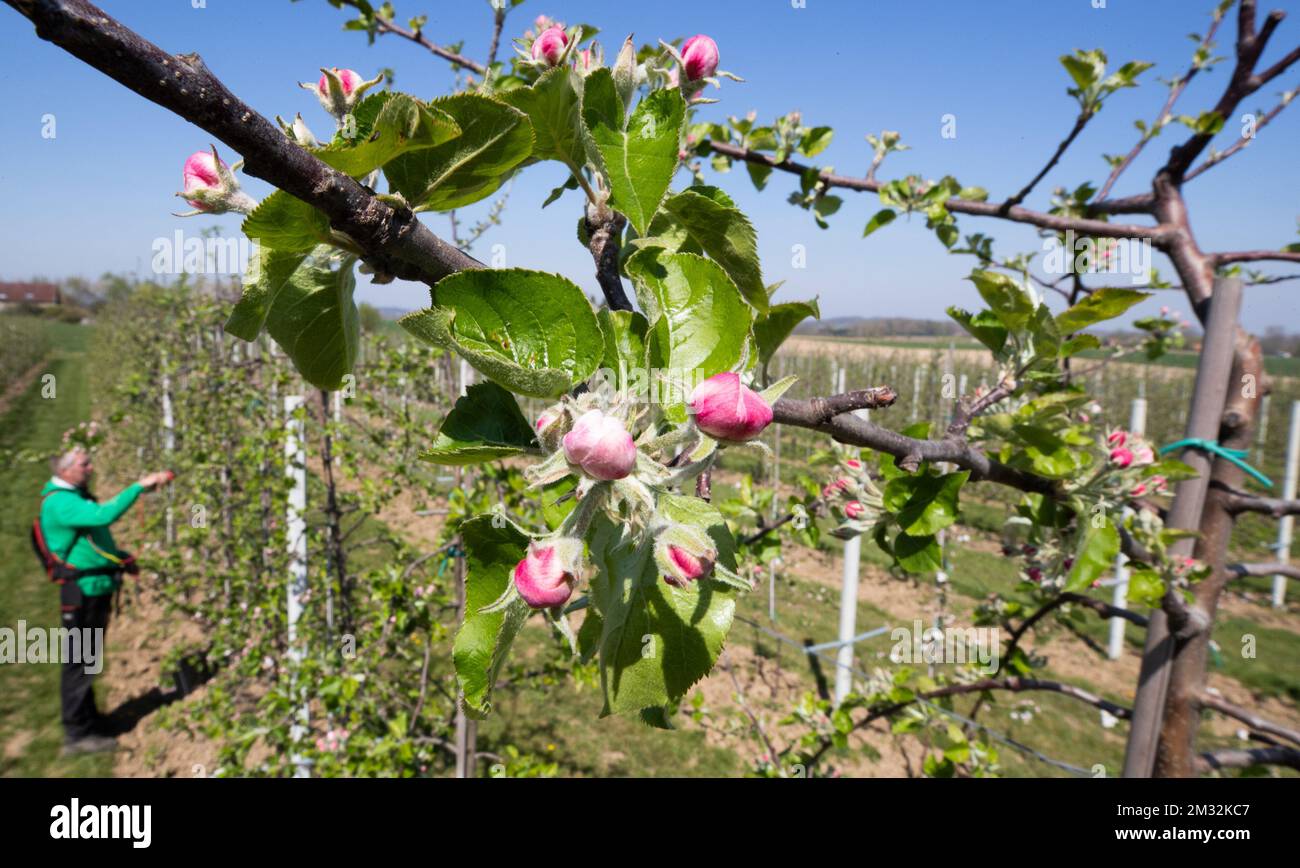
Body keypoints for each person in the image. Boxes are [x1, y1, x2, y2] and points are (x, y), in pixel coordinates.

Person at [39, 446, 173, 755]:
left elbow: (94, 539)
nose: (91, 468)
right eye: (85, 464)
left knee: (87, 659)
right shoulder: (61, 503)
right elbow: (104, 515)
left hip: (95, 587)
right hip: (82, 592)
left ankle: (89, 721)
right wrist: (139, 486)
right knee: (79, 662)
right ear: (65, 469)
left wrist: (121, 558)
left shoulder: (72, 498)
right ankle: (76, 735)